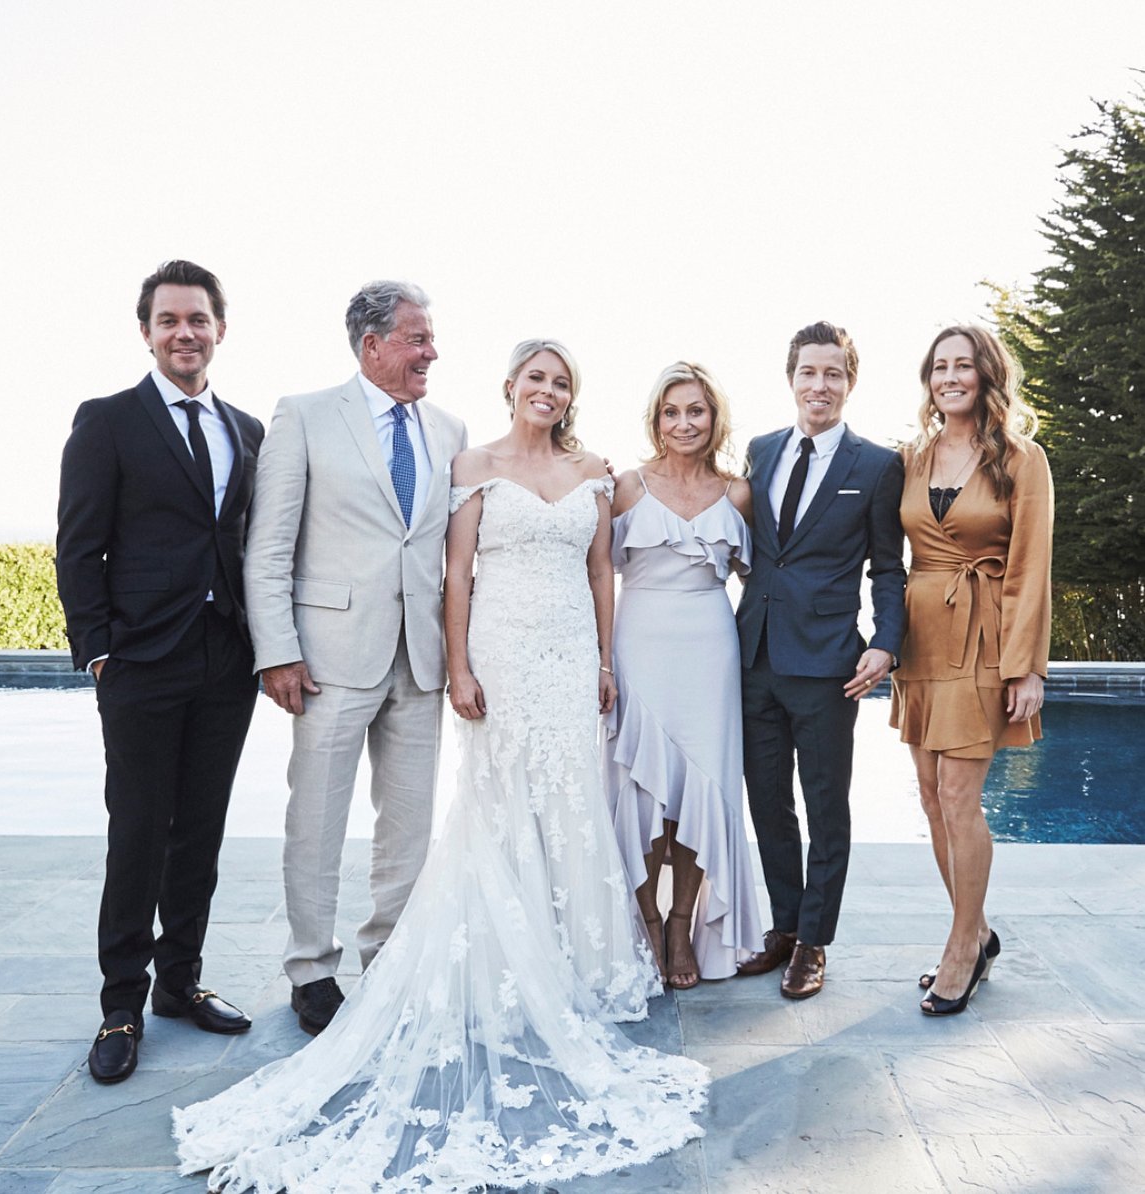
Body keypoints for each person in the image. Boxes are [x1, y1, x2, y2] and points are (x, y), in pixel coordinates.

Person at [173, 340, 704, 1192]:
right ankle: (370, 964)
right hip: (488, 654)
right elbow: (455, 573)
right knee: (482, 808)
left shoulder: (595, 471)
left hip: (568, 660)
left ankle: (570, 961)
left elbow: (604, 570)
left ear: (572, 397)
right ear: (510, 387)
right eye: (536, 377)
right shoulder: (471, 460)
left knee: (569, 805)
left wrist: (606, 661)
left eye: (561, 381)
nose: (548, 390)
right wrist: (459, 665)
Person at [56, 260, 264, 1084]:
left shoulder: (248, 430)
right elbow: (79, 544)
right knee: (137, 832)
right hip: (140, 660)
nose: (186, 333)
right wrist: (98, 650)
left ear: (220, 329)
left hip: (226, 658)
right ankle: (121, 1006)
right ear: (147, 332)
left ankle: (180, 982)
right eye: (170, 320)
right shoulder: (107, 421)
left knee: (200, 831)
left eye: (199, 319)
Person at [243, 281, 467, 1035]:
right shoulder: (303, 416)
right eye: (416, 339)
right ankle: (311, 967)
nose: (430, 352)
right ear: (371, 345)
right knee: (317, 817)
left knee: (407, 823)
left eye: (429, 339)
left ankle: (391, 959)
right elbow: (269, 544)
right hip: (329, 658)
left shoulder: (448, 428)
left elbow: (448, 550)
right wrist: (277, 649)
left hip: (421, 658)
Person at [735, 321, 906, 999]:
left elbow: (889, 569)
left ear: (849, 383)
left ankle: (815, 941)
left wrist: (885, 642)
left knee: (825, 806)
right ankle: (783, 925)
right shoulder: (760, 450)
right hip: (754, 656)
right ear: (791, 378)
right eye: (809, 372)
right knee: (768, 804)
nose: (820, 385)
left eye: (833, 373)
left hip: (830, 664)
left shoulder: (876, 466)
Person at [890, 326, 1052, 1016]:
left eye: (963, 365)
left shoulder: (1022, 458)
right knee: (930, 795)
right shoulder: (915, 456)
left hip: (984, 638)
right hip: (920, 639)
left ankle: (962, 949)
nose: (950, 377)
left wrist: (1026, 668)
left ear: (988, 375)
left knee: (959, 795)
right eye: (940, 367)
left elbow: (1030, 567)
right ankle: (976, 931)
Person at [605, 362, 763, 988]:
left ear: (713, 417)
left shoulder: (740, 494)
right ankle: (643, 917)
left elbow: (763, 582)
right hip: (639, 641)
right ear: (656, 420)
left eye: (695, 410)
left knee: (703, 788)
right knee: (642, 786)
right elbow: (593, 574)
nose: (684, 422)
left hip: (709, 649)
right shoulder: (623, 486)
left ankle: (681, 923)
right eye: (672, 411)